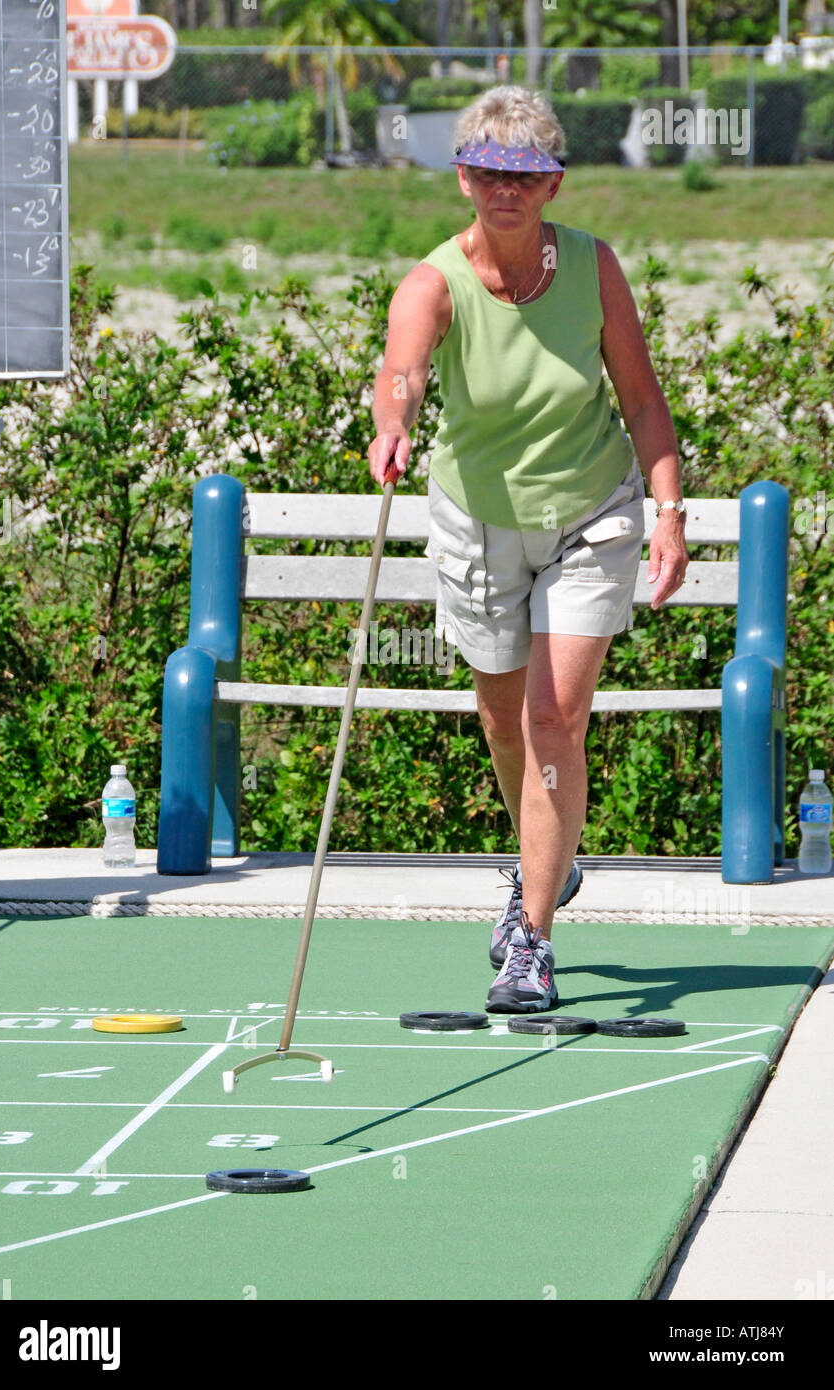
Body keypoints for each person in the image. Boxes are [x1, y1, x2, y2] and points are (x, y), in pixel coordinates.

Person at [367, 85, 688, 1014]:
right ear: (462, 178)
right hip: (477, 521)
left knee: (553, 721)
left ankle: (531, 935)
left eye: (525, 174)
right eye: (486, 171)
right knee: (506, 726)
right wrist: (393, 422)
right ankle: (546, 859)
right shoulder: (433, 279)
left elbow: (640, 398)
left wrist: (668, 512)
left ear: (551, 184)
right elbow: (403, 369)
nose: (504, 188)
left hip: (592, 511)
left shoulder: (594, 266)